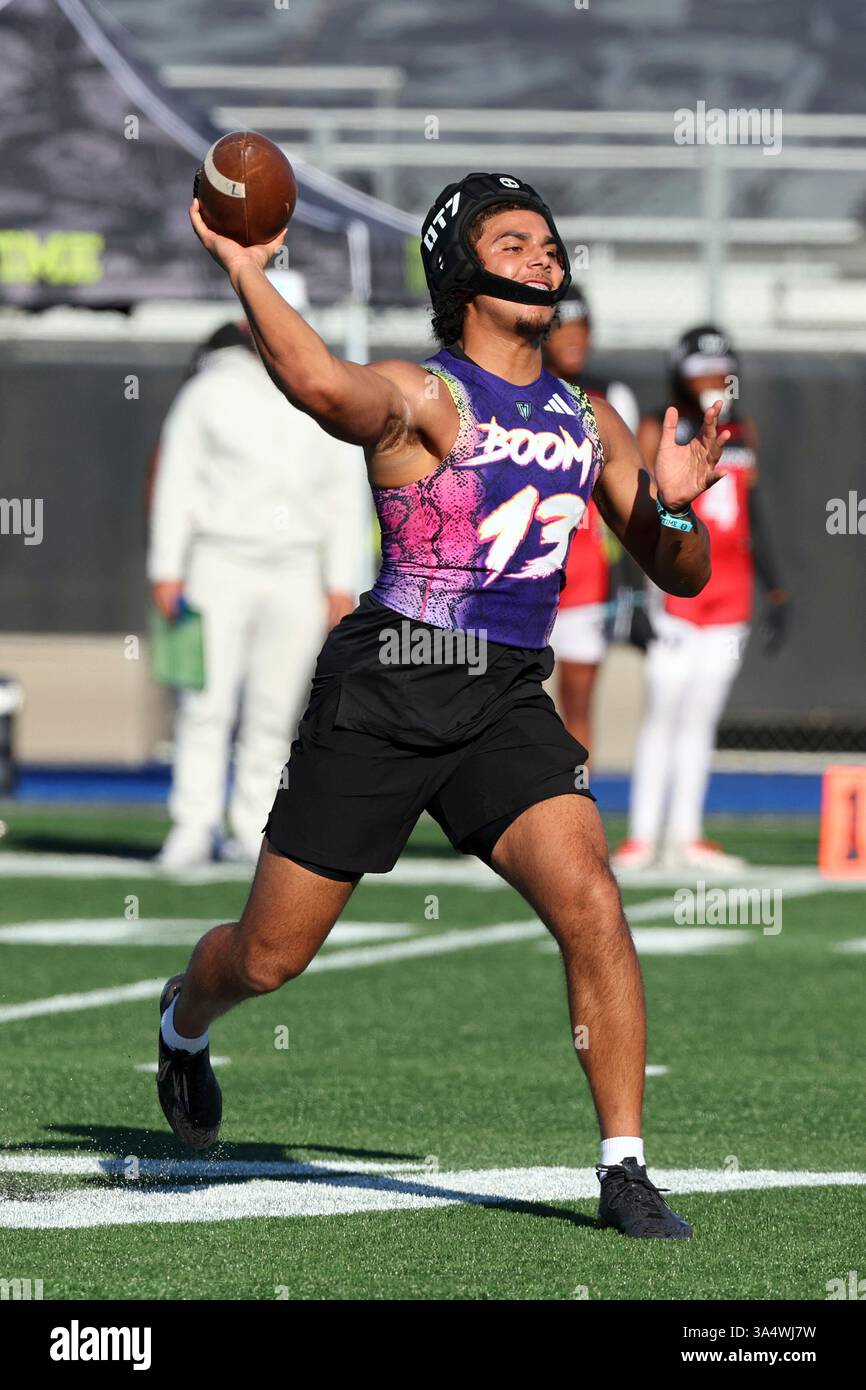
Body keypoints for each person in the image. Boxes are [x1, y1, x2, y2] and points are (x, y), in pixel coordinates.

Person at [156, 171, 733, 1240]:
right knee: (269, 959)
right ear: (459, 266)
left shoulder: (588, 414)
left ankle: (623, 1166)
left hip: (506, 696)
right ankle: (185, 1020)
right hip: (384, 687)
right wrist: (247, 268)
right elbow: (322, 385)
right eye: (514, 241)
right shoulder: (423, 395)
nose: (544, 255)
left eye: (549, 241)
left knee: (592, 901)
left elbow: (679, 570)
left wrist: (668, 503)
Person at [147, 305, 363, 867]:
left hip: (297, 570)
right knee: (204, 700)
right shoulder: (210, 391)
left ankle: (253, 828)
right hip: (218, 562)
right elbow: (178, 481)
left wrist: (341, 583)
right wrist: (166, 568)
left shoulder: (325, 387)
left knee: (276, 710)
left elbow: (346, 494)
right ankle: (192, 825)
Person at [613, 325, 789, 872]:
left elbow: (752, 514)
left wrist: (775, 585)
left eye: (720, 371)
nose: (714, 381)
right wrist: (632, 596)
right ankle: (642, 837)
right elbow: (634, 512)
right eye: (702, 372)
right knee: (664, 708)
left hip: (731, 587)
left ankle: (686, 834)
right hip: (678, 584)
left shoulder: (743, 429)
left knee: (701, 715)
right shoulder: (662, 426)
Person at [544, 287, 640, 749]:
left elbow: (628, 494)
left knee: (577, 711)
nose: (574, 339)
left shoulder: (610, 396)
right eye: (563, 326)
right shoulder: (516, 391)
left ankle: (576, 813)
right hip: (525, 568)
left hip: (586, 574)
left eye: (583, 328)